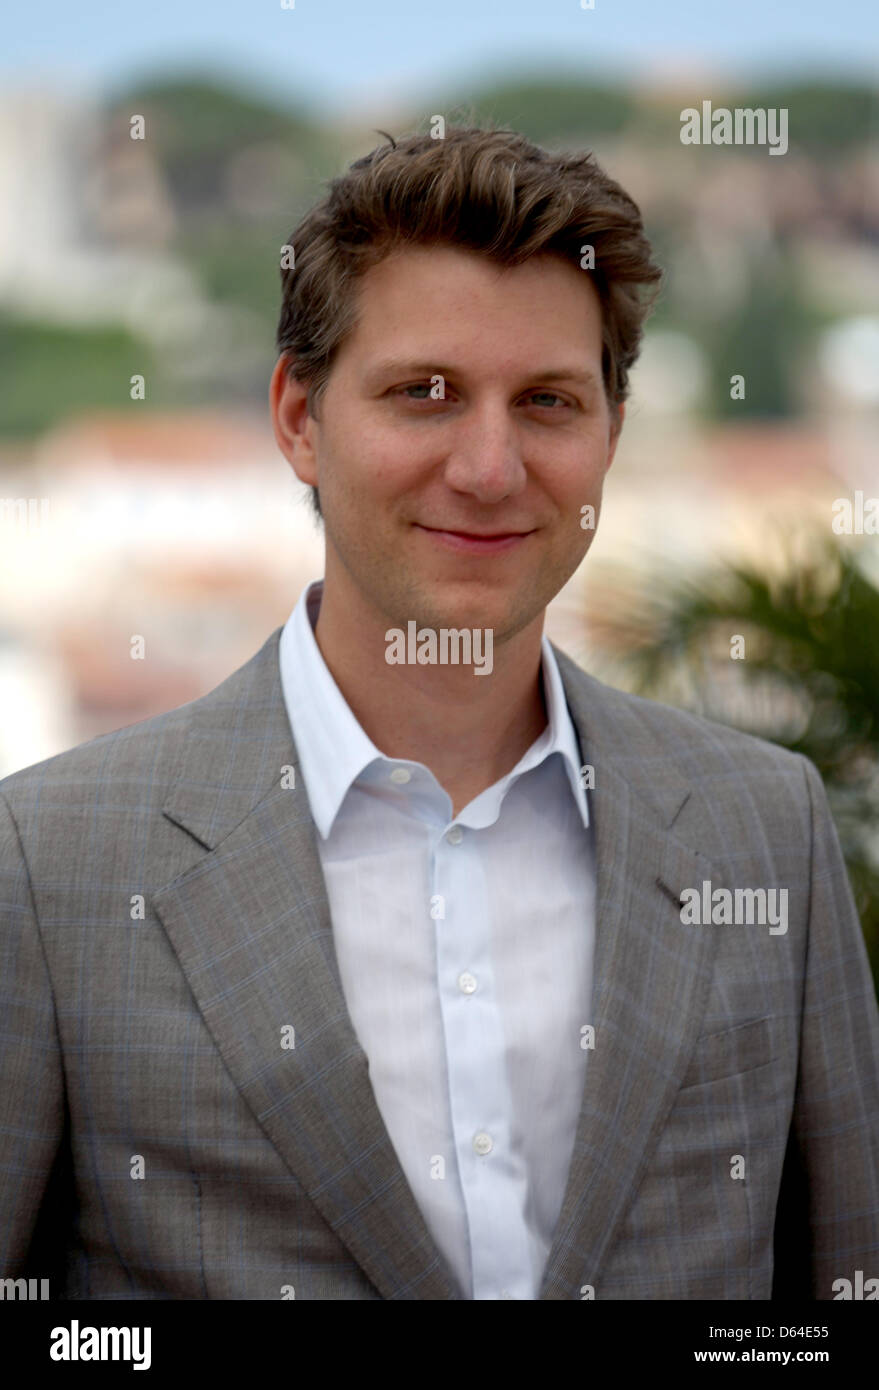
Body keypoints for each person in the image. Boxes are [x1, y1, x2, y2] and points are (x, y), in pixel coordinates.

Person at [1, 126, 877, 1301]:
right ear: (300, 420)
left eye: (550, 401)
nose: (489, 465)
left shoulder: (767, 826)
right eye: (425, 393)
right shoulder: (50, 864)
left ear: (612, 432)